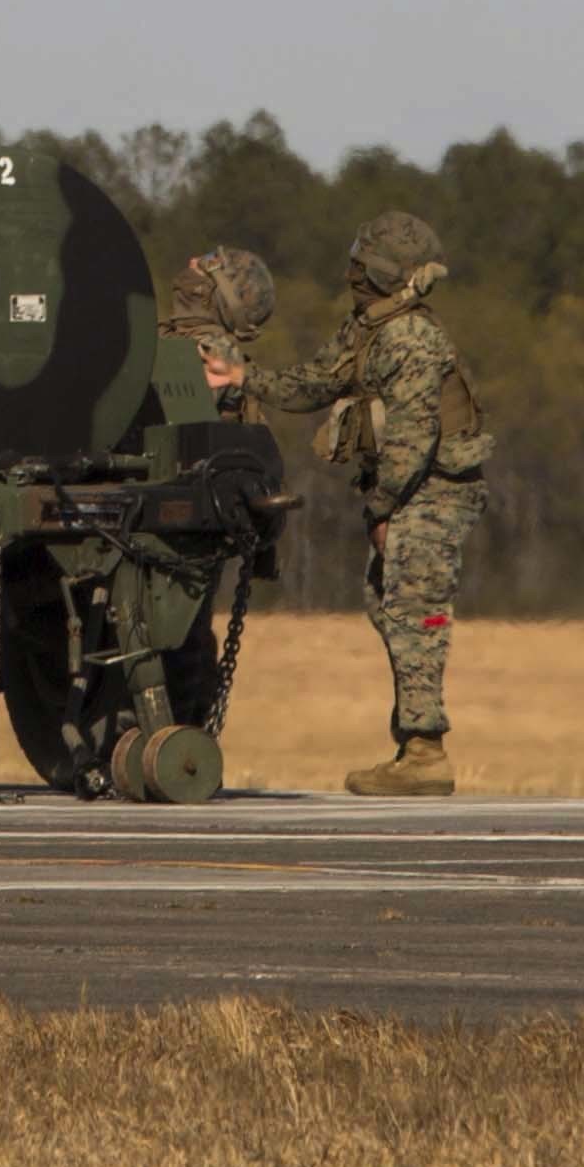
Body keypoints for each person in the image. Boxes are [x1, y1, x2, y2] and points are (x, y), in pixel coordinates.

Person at [261, 211, 488, 798]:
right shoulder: (369, 328)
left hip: (431, 491)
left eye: (363, 265)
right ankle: (414, 743)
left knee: (415, 608)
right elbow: (314, 382)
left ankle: (425, 753)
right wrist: (243, 378)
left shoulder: (410, 338)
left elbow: (412, 441)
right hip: (412, 490)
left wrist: (384, 510)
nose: (353, 275)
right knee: (387, 602)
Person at [160, 245, 279, 415]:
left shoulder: (217, 354)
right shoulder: (173, 336)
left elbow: (177, 416)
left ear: (219, 296)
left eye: (208, 262)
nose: (193, 261)